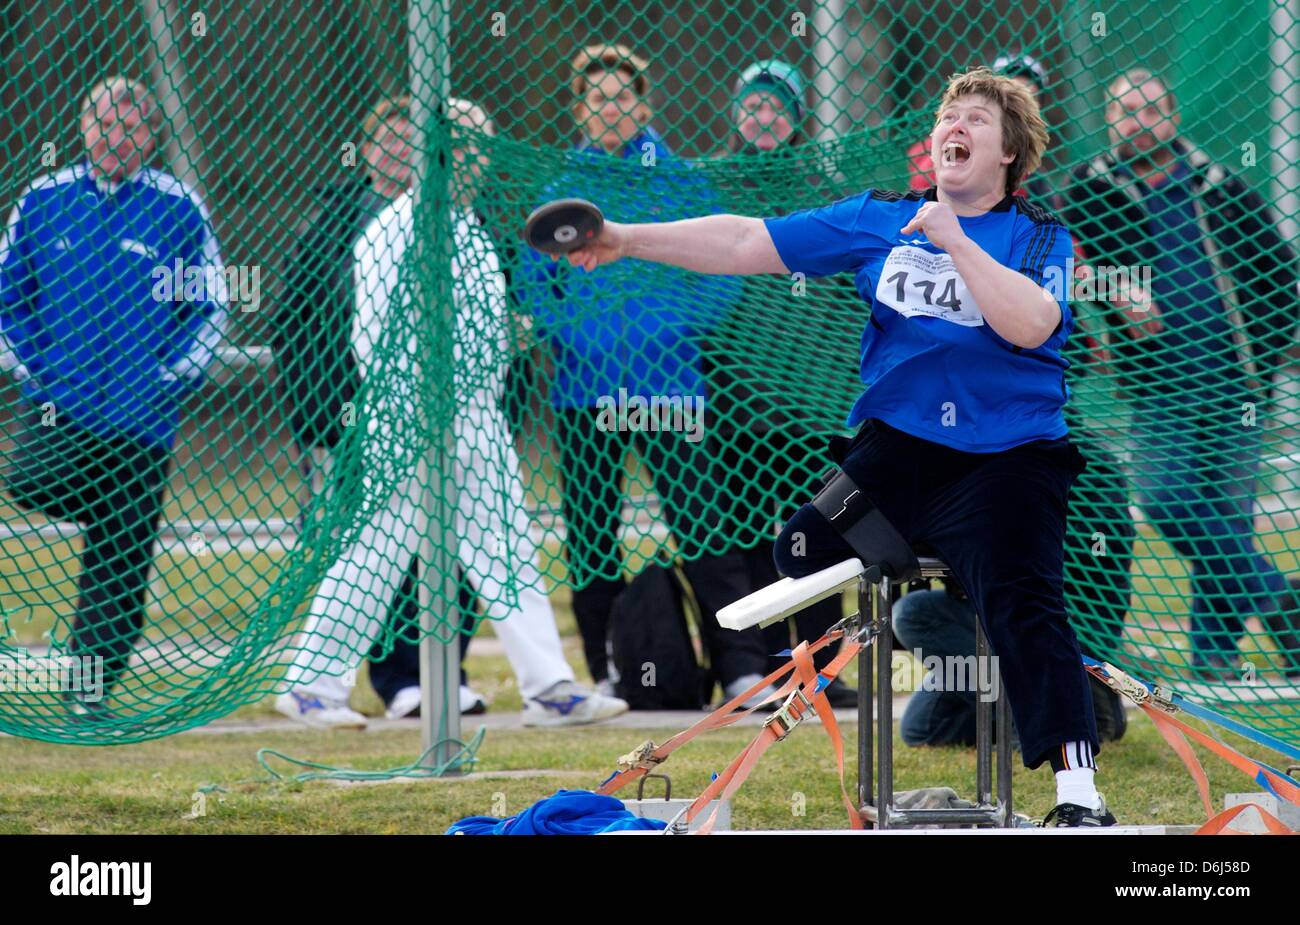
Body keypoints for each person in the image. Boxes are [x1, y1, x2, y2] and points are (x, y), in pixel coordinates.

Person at [551, 67, 1119, 826]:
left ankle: (1077, 792)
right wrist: (623, 239)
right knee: (799, 549)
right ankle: (942, 575)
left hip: (1009, 456)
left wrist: (954, 239)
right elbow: (747, 239)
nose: (956, 125)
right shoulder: (882, 219)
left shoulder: (1039, 233)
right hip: (903, 449)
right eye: (949, 114)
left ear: (1010, 150)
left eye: (977, 119)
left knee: (1022, 595)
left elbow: (1030, 324)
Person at [275, 97, 627, 729]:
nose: (476, 160)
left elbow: (482, 332)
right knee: (377, 550)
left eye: (481, 147)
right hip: (408, 419)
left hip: (476, 419)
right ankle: (310, 685)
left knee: (506, 549)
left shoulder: (469, 228)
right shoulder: (393, 227)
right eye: (463, 147)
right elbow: (373, 338)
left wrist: (504, 340)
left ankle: (549, 686)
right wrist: (433, 394)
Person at [519, 44, 775, 706]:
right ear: (580, 110)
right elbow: (534, 286)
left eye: (623, 97)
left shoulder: (681, 179)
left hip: (672, 387)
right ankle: (608, 669)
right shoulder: (559, 192)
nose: (612, 109)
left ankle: (741, 668)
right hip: (586, 392)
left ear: (644, 103)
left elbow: (724, 268)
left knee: (704, 529)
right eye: (597, 99)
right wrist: (579, 334)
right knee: (593, 535)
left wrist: (677, 327)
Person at [1059, 69, 1300, 681]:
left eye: (1148, 110)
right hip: (1157, 387)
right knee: (1167, 498)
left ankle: (1214, 658)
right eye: (1124, 111)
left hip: (1237, 385)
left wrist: (1267, 354)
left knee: (1229, 514)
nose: (1136, 122)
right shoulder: (1089, 190)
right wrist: (1119, 291)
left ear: (1172, 116)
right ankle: (1284, 603)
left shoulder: (1221, 186)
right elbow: (1058, 264)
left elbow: (1281, 276)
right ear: (1109, 121)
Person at [0, 76, 229, 718]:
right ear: (83, 127)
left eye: (130, 126)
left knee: (122, 559)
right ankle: (102, 510)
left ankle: (89, 688)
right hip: (58, 406)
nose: (115, 136)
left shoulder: (178, 206)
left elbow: (210, 303)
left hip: (142, 419)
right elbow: (7, 295)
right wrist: (34, 370)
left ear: (150, 137)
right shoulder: (44, 199)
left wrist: (172, 372)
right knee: (31, 484)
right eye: (103, 123)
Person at [277, 95, 489, 718]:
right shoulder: (335, 226)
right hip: (361, 421)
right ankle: (389, 679)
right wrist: (320, 420)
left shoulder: (454, 219)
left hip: (453, 421)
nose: (399, 154)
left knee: (459, 551)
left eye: (411, 144)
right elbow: (299, 330)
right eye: (386, 142)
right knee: (375, 552)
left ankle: (439, 674)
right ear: (366, 150)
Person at [708, 59, 857, 707]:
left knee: (821, 540)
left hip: (811, 404)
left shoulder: (822, 189)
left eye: (776, 107)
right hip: (737, 403)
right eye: (752, 106)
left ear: (795, 118)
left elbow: (848, 301)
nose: (763, 117)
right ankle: (754, 670)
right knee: (743, 537)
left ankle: (822, 668)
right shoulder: (715, 186)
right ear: (736, 113)